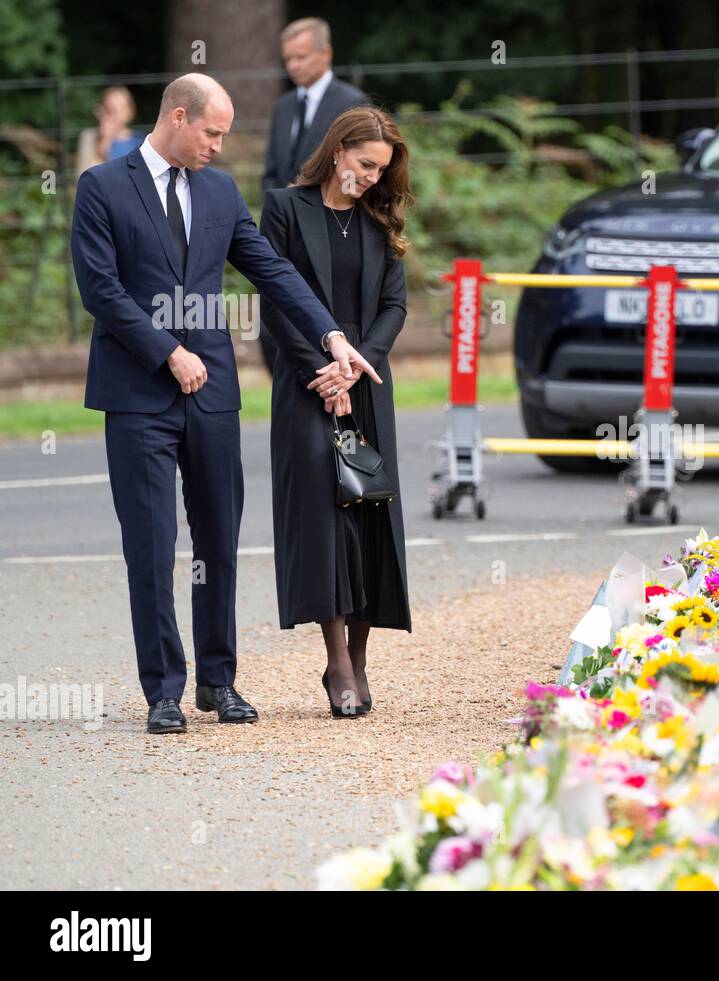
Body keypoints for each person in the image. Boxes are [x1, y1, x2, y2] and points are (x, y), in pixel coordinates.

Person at [70, 73, 381, 735]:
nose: (219, 145)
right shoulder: (101, 187)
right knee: (152, 546)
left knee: (218, 537)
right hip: (137, 394)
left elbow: (269, 269)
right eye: (211, 131)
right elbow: (100, 289)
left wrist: (330, 334)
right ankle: (163, 690)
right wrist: (164, 350)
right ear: (178, 117)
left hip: (212, 394)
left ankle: (218, 680)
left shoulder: (218, 190)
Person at [259, 107, 413, 718]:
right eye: (365, 163)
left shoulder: (381, 217)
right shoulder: (285, 208)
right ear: (338, 149)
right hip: (305, 377)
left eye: (382, 169)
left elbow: (395, 306)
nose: (373, 178)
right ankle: (337, 662)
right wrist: (321, 375)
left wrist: (355, 365)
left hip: (366, 377)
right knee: (325, 519)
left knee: (370, 511)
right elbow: (274, 298)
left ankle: (362, 653)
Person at [259, 17, 368, 374]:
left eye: (301, 57)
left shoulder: (351, 103)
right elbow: (274, 172)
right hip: (283, 235)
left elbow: (357, 178)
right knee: (275, 325)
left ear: (326, 54)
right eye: (288, 58)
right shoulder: (282, 107)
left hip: (326, 233)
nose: (293, 66)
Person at [75, 86, 143, 176]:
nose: (114, 114)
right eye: (109, 108)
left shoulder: (140, 140)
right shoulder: (90, 138)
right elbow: (85, 174)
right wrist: (105, 139)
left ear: (129, 111)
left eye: (120, 108)